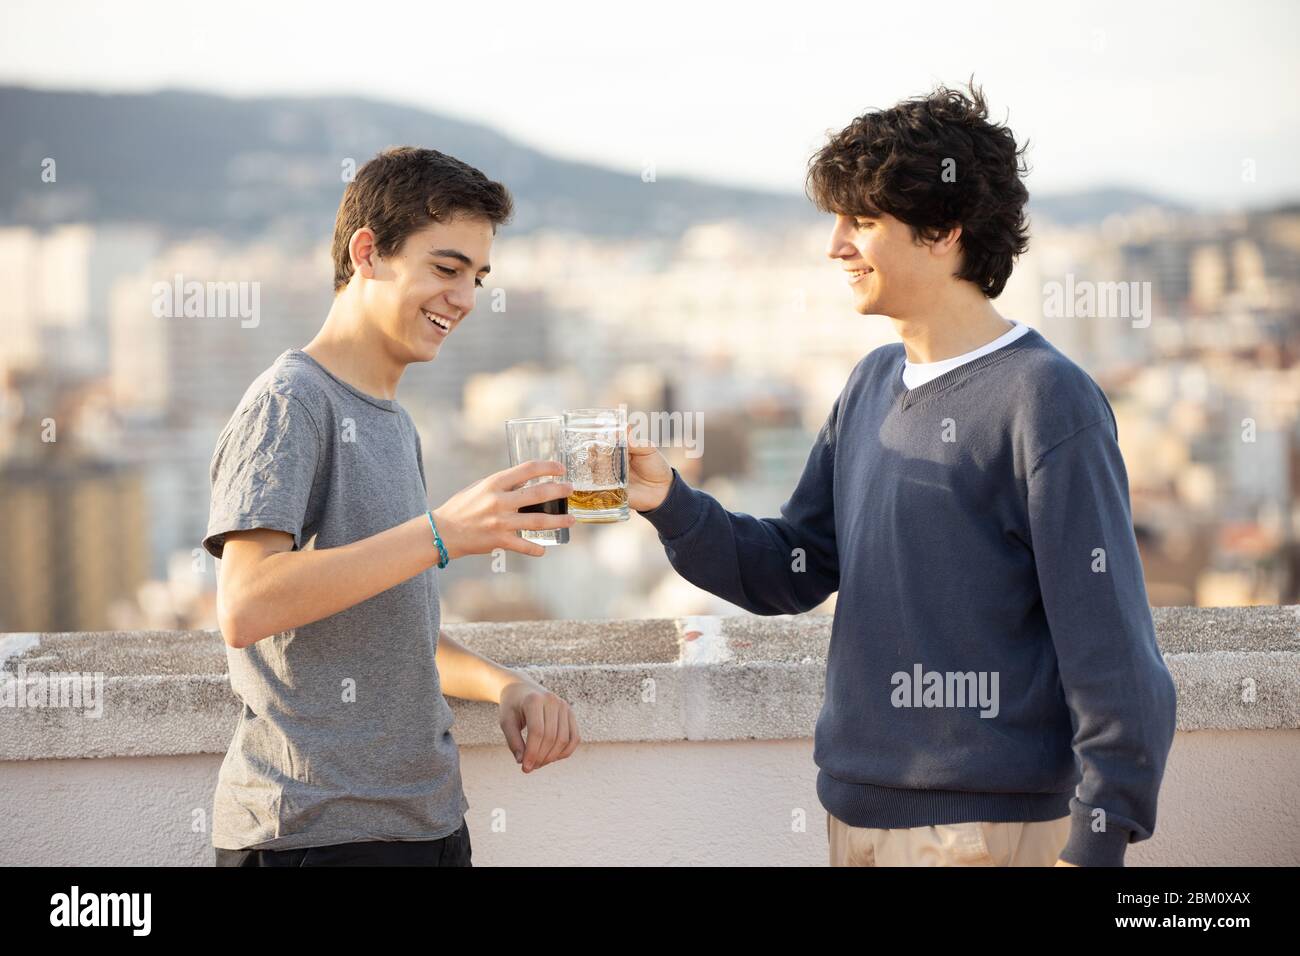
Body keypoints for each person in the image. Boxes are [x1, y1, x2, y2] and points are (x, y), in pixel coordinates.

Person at [627, 84, 1177, 867]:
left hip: (981, 834)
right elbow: (795, 568)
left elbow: (1113, 648)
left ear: (944, 230)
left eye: (863, 221)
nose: (836, 245)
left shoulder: (1046, 400)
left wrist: (1095, 843)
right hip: (856, 817)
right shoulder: (871, 382)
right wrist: (669, 504)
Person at [203, 147, 579, 867]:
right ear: (368, 253)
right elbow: (246, 605)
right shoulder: (292, 403)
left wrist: (509, 687)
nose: (465, 297)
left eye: (476, 276)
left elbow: (389, 634)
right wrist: (442, 533)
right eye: (446, 268)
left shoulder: (389, 418)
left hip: (423, 825)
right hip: (320, 835)